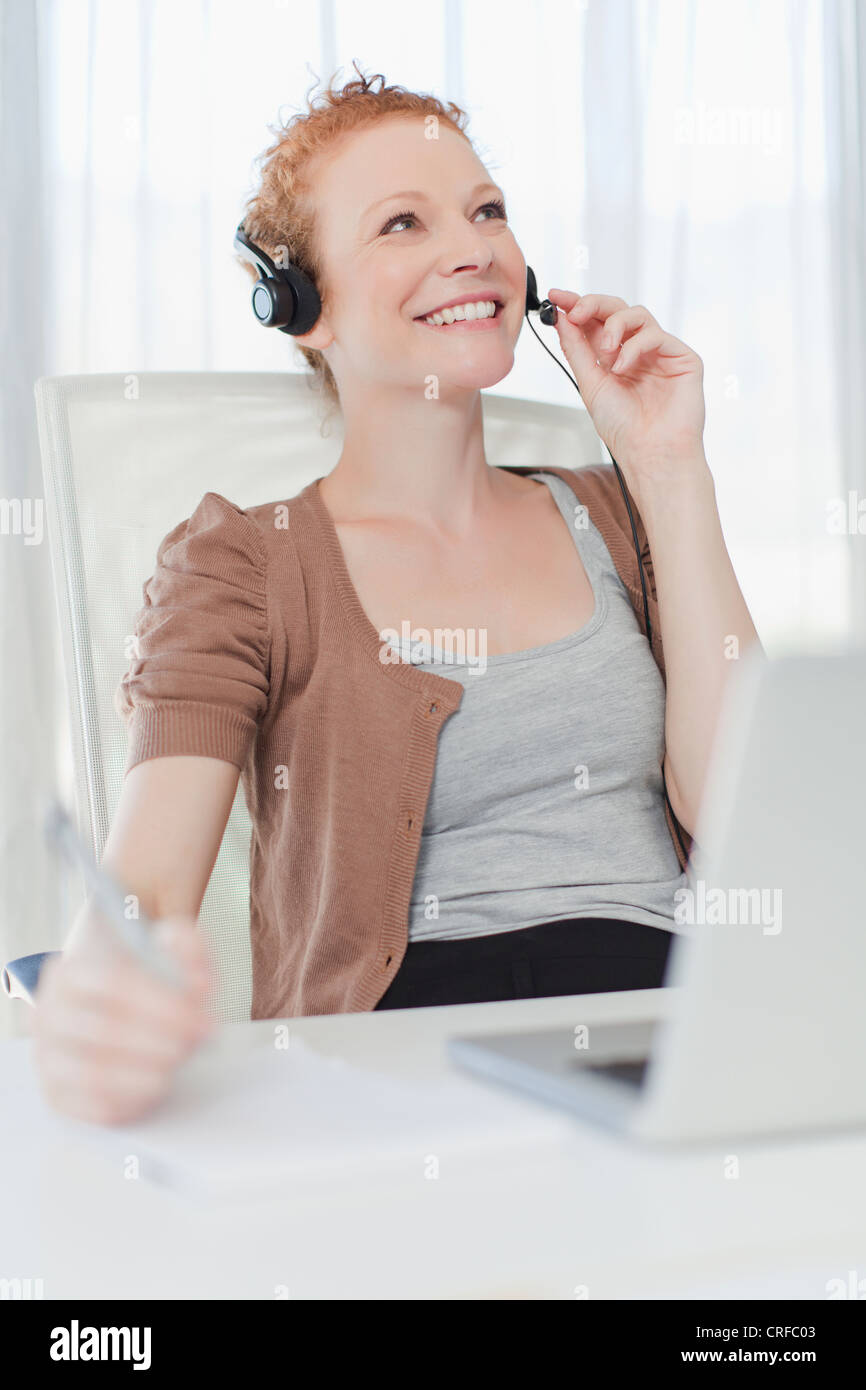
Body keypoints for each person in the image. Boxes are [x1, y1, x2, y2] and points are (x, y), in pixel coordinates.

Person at [32, 64, 761, 1125]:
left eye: (487, 212)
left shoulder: (619, 512)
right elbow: (141, 894)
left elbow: (746, 815)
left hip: (679, 1042)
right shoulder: (245, 564)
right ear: (300, 306)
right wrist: (112, 985)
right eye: (401, 223)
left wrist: (668, 469)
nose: (469, 248)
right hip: (410, 1078)